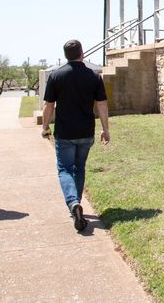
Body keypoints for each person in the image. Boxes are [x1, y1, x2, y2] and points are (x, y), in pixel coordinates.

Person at [42, 39, 110, 232]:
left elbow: (49, 105)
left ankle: (73, 203)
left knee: (65, 169)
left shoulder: (56, 76)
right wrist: (105, 129)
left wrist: (45, 126)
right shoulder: (94, 77)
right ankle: (76, 204)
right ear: (82, 53)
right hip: (86, 131)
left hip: (65, 132)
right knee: (79, 168)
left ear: (66, 55)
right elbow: (102, 104)